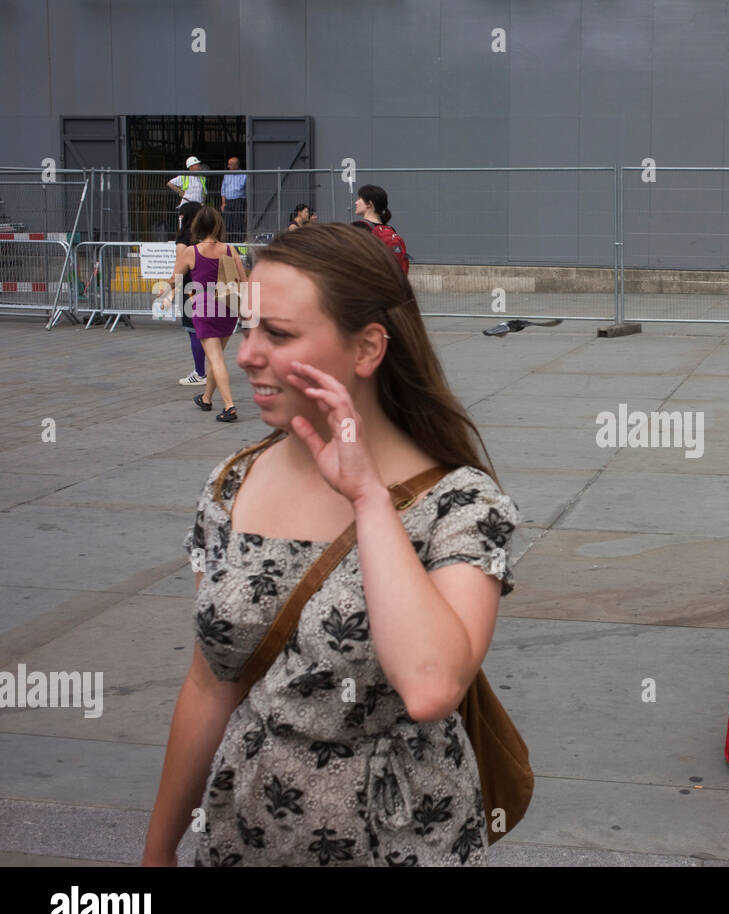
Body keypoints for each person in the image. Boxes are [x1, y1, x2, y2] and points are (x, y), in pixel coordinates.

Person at [142, 223, 518, 866]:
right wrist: (156, 853)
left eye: (278, 334)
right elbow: (210, 684)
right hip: (246, 836)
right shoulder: (231, 485)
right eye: (247, 327)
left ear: (368, 347)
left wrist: (369, 497)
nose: (247, 353)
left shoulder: (460, 503)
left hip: (397, 841)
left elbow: (431, 685)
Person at [163, 207, 246, 421]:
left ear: (197, 226)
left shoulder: (191, 251)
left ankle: (229, 406)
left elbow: (175, 279)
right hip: (229, 306)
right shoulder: (230, 249)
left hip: (203, 306)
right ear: (219, 226)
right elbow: (243, 282)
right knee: (215, 357)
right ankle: (207, 398)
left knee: (215, 358)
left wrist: (167, 287)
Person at [173, 201, 207, 386]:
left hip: (189, 286)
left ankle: (200, 372)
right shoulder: (207, 236)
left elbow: (180, 265)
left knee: (193, 329)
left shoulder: (184, 237)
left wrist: (171, 285)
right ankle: (212, 367)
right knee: (207, 330)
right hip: (207, 283)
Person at [352, 184, 410, 274]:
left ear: (369, 204)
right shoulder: (390, 229)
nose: (356, 202)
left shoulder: (358, 228)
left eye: (359, 199)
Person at [220, 157, 247, 242]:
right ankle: (229, 242)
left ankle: (238, 242)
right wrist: (223, 203)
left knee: (237, 223)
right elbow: (223, 190)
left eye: (230, 165)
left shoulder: (244, 175)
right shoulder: (226, 175)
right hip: (228, 202)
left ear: (236, 165)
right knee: (227, 223)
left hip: (239, 201)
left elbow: (245, 189)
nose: (228, 166)